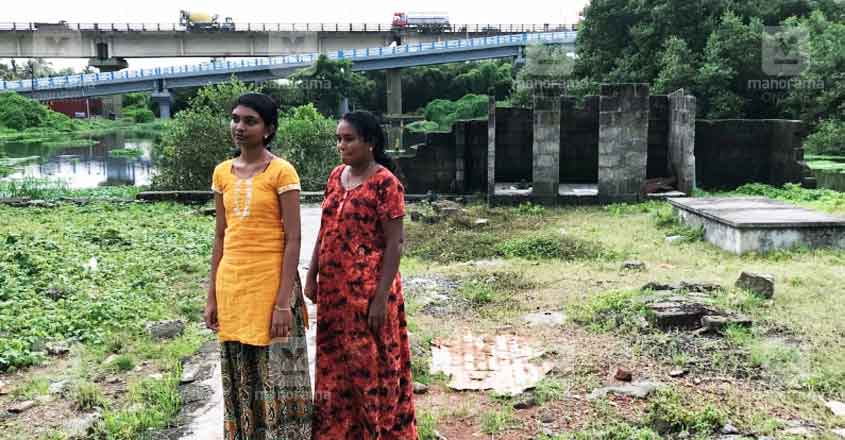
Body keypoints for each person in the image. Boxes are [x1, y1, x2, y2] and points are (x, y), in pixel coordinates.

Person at [205, 92, 312, 439]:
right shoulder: (222, 172)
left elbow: (293, 238)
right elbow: (220, 236)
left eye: (250, 121)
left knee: (277, 375)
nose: (239, 126)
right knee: (241, 374)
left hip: (272, 288)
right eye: (235, 119)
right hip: (233, 287)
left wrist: (283, 304)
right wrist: (211, 296)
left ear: (269, 129)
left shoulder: (281, 172)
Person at [305, 111, 417, 439]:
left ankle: (375, 431)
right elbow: (325, 228)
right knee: (335, 365)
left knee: (369, 365)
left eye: (349, 139)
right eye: (338, 139)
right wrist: (312, 275)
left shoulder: (386, 183)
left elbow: (395, 244)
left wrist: (380, 299)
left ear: (370, 142)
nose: (341, 145)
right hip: (334, 293)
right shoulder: (335, 176)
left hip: (368, 295)